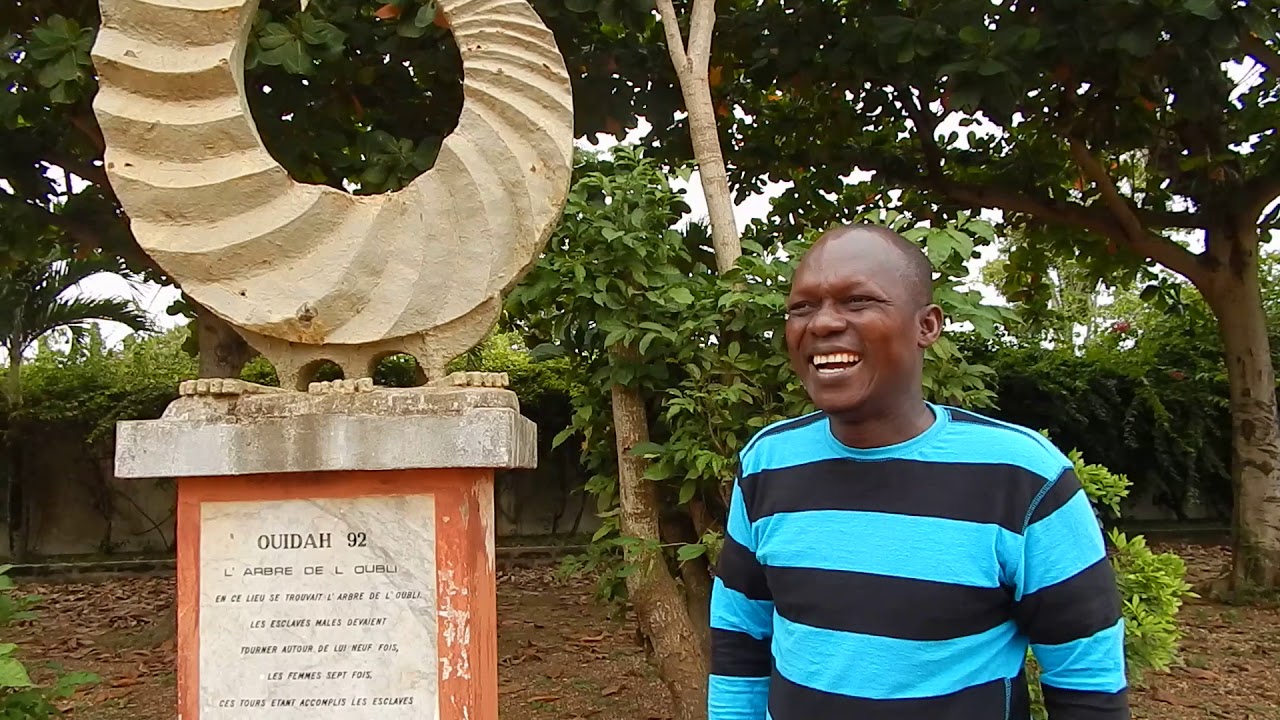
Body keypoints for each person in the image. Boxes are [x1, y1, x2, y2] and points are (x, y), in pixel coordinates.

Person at [708, 224, 1129, 720]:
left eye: (858, 301)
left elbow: (1087, 686)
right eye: (802, 307)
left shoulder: (1021, 476)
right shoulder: (768, 463)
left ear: (927, 325)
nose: (821, 324)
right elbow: (740, 641)